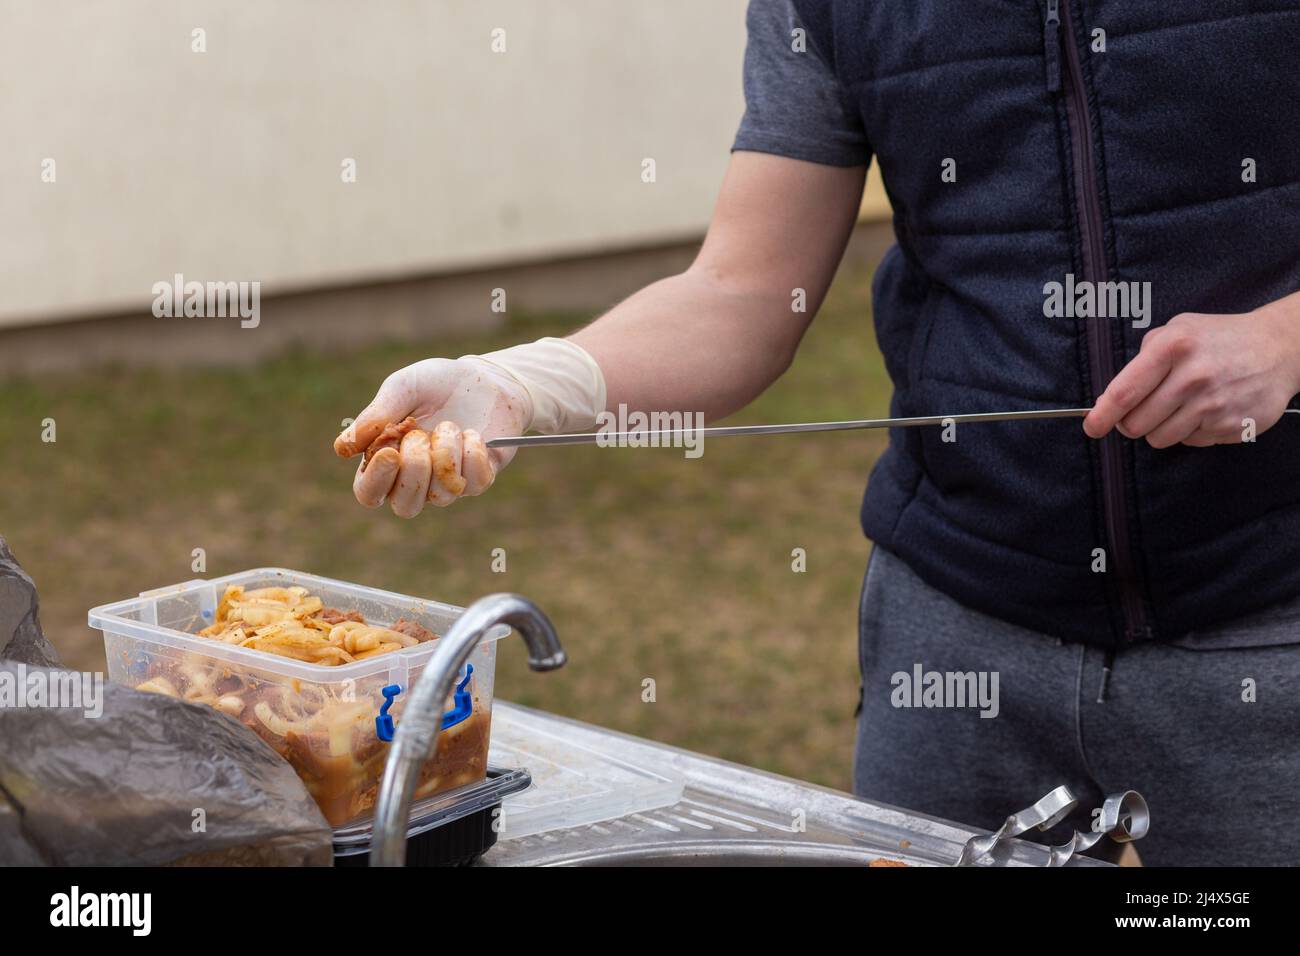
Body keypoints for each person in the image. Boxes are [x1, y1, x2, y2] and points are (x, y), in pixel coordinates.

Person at [334, 0, 1300, 864]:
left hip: (1268, 617)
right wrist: (518, 385)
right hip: (959, 631)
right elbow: (744, 293)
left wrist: (1285, 339)